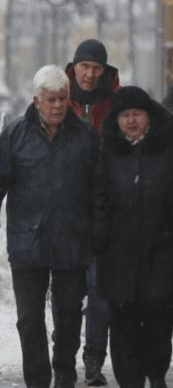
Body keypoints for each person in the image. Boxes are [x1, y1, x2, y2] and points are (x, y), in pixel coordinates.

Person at [0, 64, 101, 388]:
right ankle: (37, 380)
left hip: (72, 242)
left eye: (63, 98)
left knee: (70, 316)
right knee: (30, 320)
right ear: (36, 100)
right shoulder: (15, 135)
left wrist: (102, 230)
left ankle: (63, 370)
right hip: (27, 243)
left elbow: (100, 188)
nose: (58, 105)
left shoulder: (85, 136)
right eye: (52, 99)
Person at [94, 86, 173, 388]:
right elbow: (97, 198)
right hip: (119, 258)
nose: (130, 121)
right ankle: (130, 382)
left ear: (149, 116)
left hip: (161, 256)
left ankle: (156, 374)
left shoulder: (166, 149)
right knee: (124, 326)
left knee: (158, 324)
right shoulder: (108, 150)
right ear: (116, 119)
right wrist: (100, 238)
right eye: (124, 115)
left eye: (137, 114)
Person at [63, 38, 120, 386]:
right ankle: (64, 357)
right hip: (67, 216)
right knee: (68, 292)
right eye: (84, 66)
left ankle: (94, 360)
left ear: (104, 71)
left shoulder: (117, 103)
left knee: (101, 290)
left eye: (96, 68)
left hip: (105, 215)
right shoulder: (56, 97)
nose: (90, 74)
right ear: (74, 67)